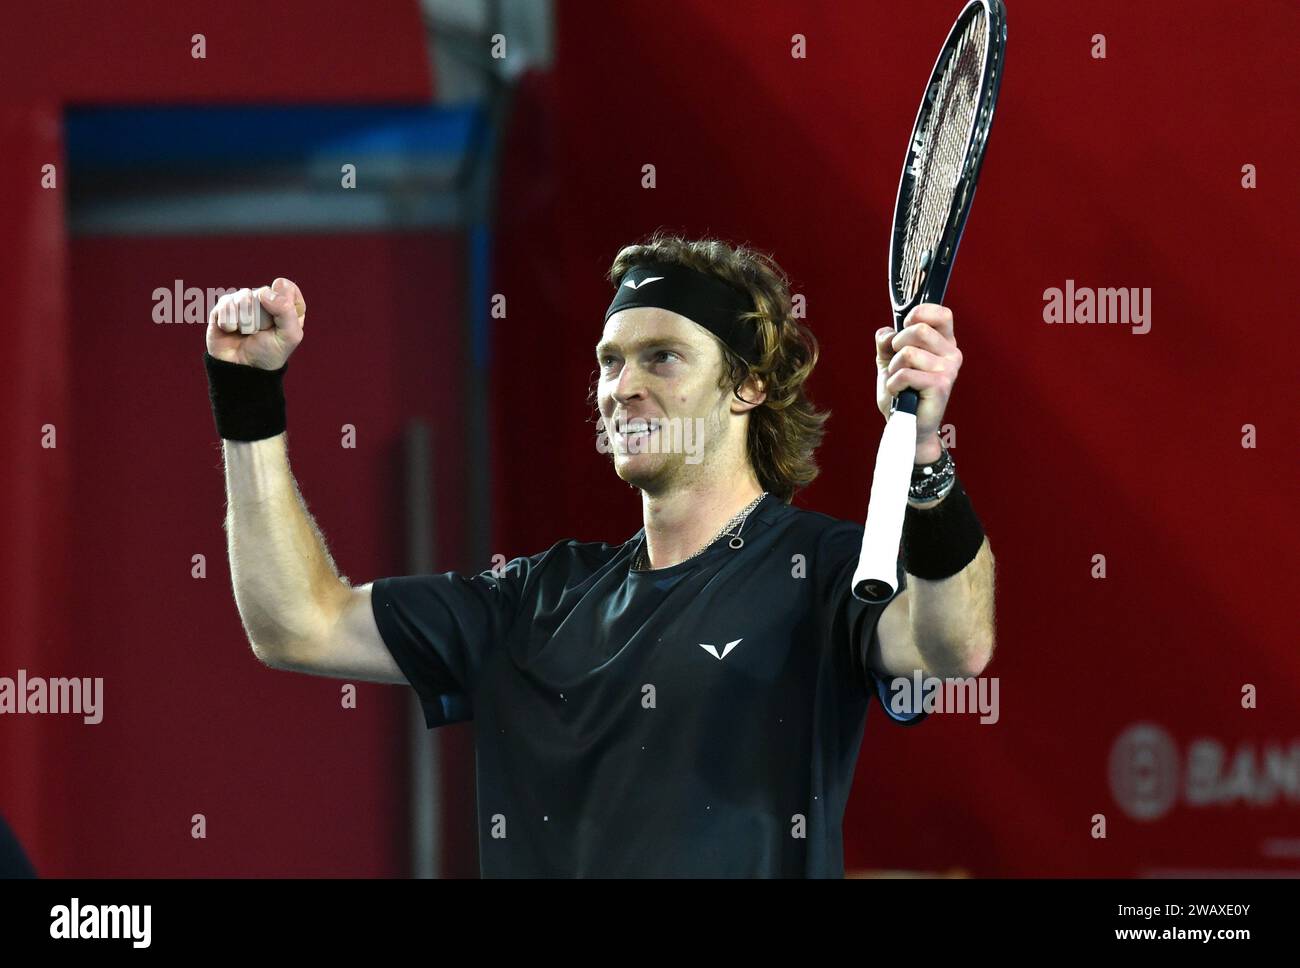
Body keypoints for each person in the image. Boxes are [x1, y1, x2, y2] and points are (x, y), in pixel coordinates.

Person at [203, 233, 995, 877]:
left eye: (663, 357)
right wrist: (246, 399)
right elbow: (298, 623)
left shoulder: (820, 570)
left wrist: (925, 453)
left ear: (747, 386)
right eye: (611, 360)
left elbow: (955, 644)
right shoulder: (534, 599)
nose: (621, 386)